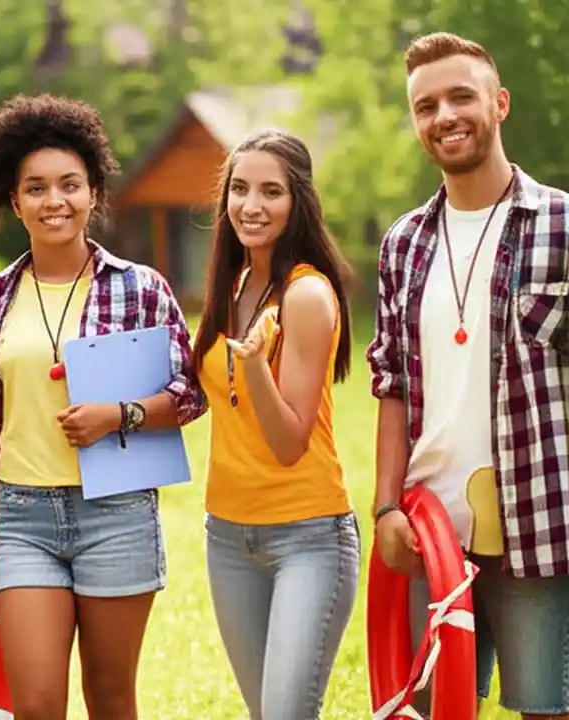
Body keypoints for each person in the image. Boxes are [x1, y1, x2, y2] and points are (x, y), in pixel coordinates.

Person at [0, 93, 206, 720]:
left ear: (94, 192)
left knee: (111, 698)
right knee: (37, 703)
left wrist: (119, 415)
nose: (54, 201)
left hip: (115, 514)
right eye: (36, 188)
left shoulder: (141, 289)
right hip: (23, 517)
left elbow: (190, 394)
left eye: (70, 184)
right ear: (14, 202)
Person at [368, 31, 569, 720]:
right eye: (426, 105)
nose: (445, 116)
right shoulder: (404, 242)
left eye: (461, 96)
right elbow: (392, 384)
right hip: (429, 525)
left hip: (539, 520)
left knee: (549, 708)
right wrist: (385, 507)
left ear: (499, 102)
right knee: (428, 706)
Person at [189, 128, 358, 719]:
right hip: (228, 536)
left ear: (298, 202)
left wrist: (256, 365)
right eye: (239, 189)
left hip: (307, 536)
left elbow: (289, 442)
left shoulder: (306, 296)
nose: (251, 206)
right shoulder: (234, 285)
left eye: (271, 192)